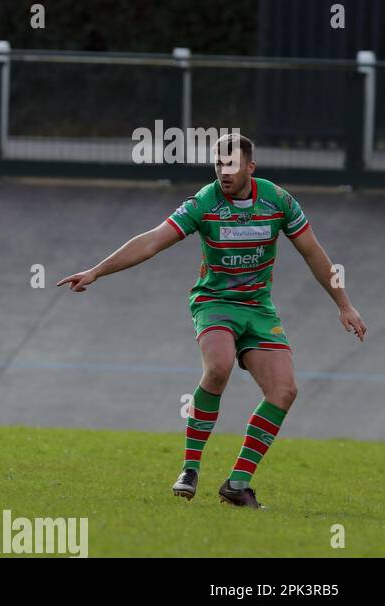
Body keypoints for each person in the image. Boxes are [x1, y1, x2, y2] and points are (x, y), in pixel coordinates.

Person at [57, 134, 367, 508]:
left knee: (284, 391)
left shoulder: (278, 201)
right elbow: (153, 240)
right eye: (218, 164)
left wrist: (344, 304)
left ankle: (237, 484)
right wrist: (97, 271)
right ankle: (190, 468)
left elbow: (314, 253)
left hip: (258, 308)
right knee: (218, 367)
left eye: (231, 164)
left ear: (250, 167)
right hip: (215, 303)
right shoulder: (205, 203)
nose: (223, 172)